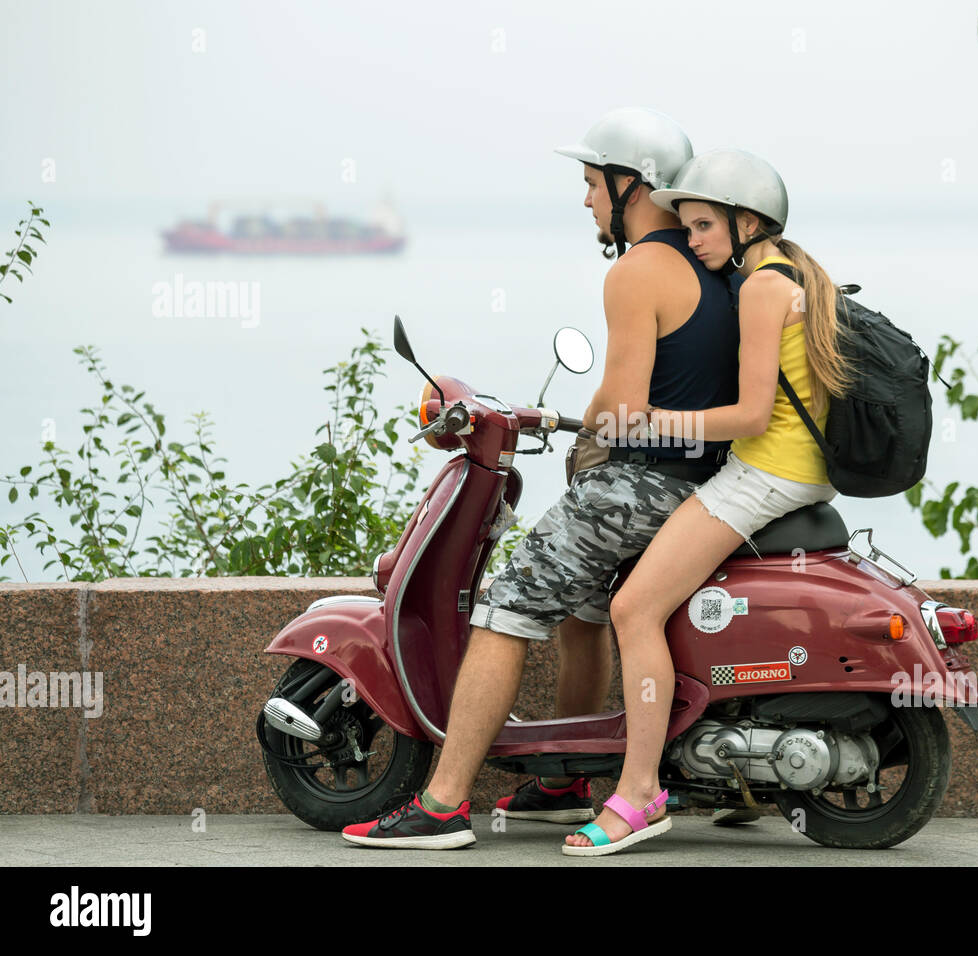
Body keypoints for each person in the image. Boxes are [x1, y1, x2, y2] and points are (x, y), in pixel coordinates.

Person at [340, 108, 741, 849]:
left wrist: (582, 425)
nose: (586, 198)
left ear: (634, 184)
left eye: (593, 183)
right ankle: (563, 781)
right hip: (705, 485)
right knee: (583, 610)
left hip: (643, 486)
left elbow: (621, 410)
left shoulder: (639, 270)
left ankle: (443, 804)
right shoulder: (715, 265)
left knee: (506, 609)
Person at [562, 148, 850, 855]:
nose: (691, 242)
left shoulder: (757, 288)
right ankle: (733, 776)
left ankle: (636, 797)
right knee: (680, 599)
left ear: (745, 221)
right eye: (686, 227)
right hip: (801, 471)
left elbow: (752, 415)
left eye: (700, 226)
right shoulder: (787, 275)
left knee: (632, 608)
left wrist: (655, 423)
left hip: (765, 473)